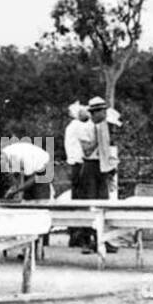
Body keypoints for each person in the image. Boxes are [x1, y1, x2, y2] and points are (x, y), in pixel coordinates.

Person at [76, 97, 118, 254]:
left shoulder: (104, 126)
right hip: (90, 167)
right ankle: (86, 241)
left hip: (102, 166)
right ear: (95, 113)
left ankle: (103, 239)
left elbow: (108, 149)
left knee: (104, 204)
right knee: (89, 204)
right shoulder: (85, 128)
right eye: (102, 111)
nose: (105, 113)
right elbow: (86, 150)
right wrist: (97, 139)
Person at [63, 101, 95, 248]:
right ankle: (82, 236)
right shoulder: (79, 126)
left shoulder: (71, 126)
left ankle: (76, 235)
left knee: (77, 198)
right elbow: (88, 145)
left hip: (74, 164)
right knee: (84, 199)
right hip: (81, 164)